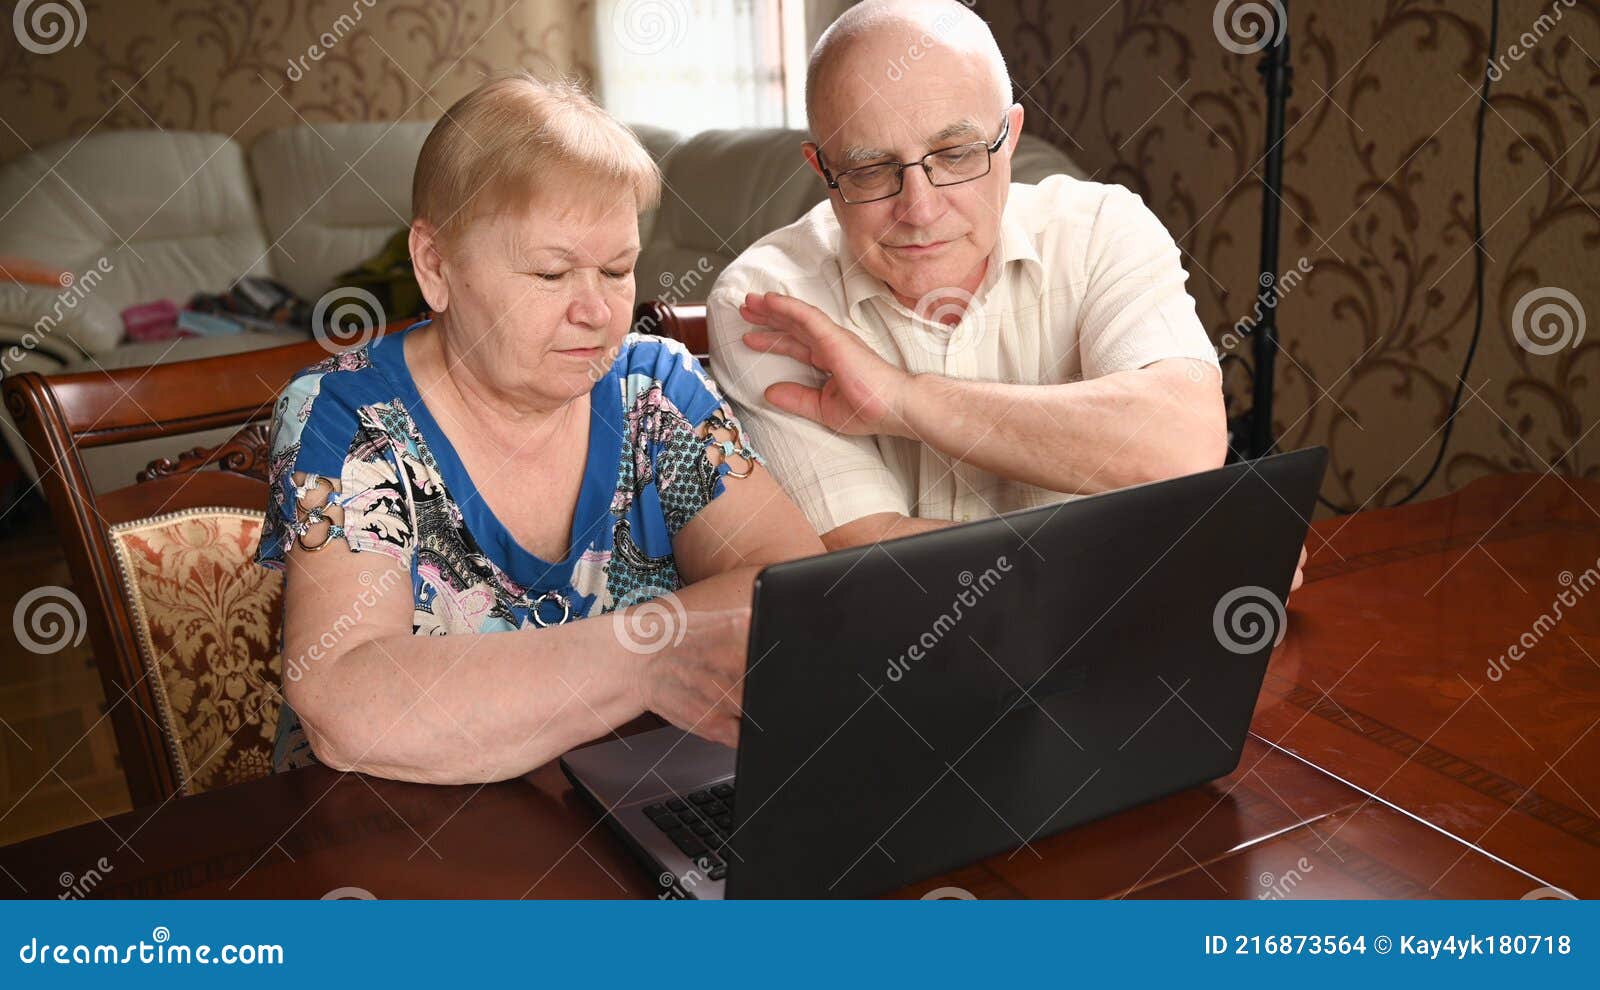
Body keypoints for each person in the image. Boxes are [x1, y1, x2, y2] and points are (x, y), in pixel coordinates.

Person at [255, 73, 823, 784]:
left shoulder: (654, 388)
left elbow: (801, 598)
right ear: (435, 266)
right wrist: (645, 657)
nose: (597, 312)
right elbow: (346, 701)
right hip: (395, 847)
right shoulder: (347, 416)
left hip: (625, 806)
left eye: (618, 270)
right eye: (553, 275)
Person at [707, 0, 1307, 588]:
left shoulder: (1102, 230)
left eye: (957, 154)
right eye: (870, 169)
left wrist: (905, 400)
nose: (919, 208)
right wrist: (1176, 556)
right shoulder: (764, 298)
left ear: (1010, 137)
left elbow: (1182, 446)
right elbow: (866, 566)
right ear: (822, 169)